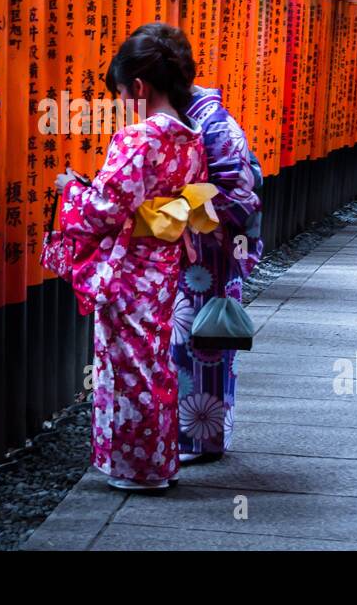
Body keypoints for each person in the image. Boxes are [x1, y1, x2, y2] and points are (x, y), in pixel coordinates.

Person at [46, 25, 208, 491]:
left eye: (121, 94)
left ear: (138, 87)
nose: (121, 105)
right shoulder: (190, 136)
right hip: (163, 264)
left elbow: (103, 210)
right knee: (152, 360)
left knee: (125, 364)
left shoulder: (138, 138)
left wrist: (71, 189)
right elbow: (190, 200)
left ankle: (135, 467)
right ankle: (159, 461)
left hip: (129, 267)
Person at [144, 24, 262, 463]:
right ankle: (185, 434)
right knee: (181, 341)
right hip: (182, 246)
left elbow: (238, 192)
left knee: (202, 340)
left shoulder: (212, 121)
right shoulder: (182, 116)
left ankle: (200, 438)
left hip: (208, 251)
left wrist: (178, 214)